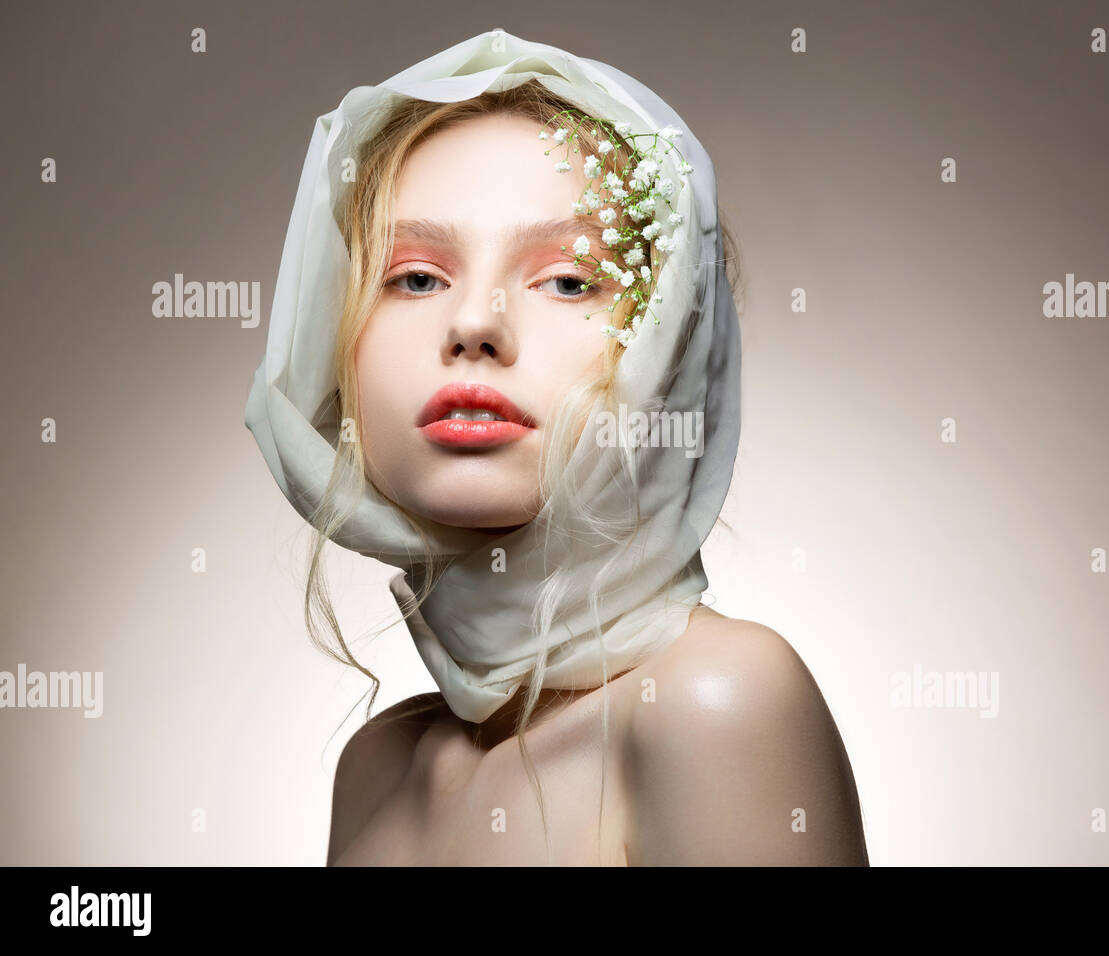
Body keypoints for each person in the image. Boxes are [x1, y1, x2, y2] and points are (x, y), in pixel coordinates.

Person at [245, 30, 868, 866]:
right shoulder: (374, 767)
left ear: (667, 346)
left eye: (570, 280)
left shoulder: (718, 702)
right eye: (416, 277)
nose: (474, 325)